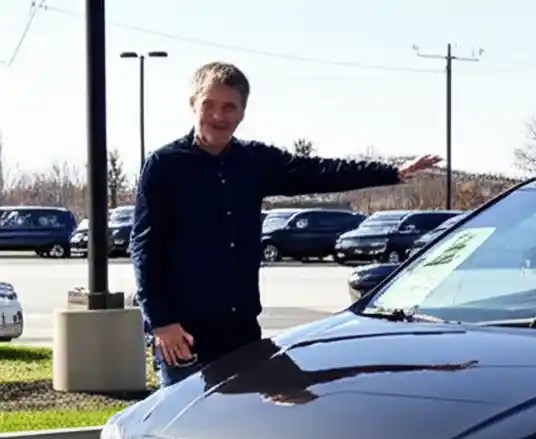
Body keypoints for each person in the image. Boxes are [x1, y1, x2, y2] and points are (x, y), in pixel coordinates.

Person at [131, 61, 442, 386]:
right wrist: (161, 322)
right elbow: (144, 248)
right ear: (193, 104)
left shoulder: (253, 162)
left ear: (242, 113)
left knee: (256, 413)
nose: (218, 116)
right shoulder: (164, 166)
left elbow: (318, 171)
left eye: (229, 107)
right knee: (184, 416)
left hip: (240, 331)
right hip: (183, 335)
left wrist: (391, 172)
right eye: (209, 104)